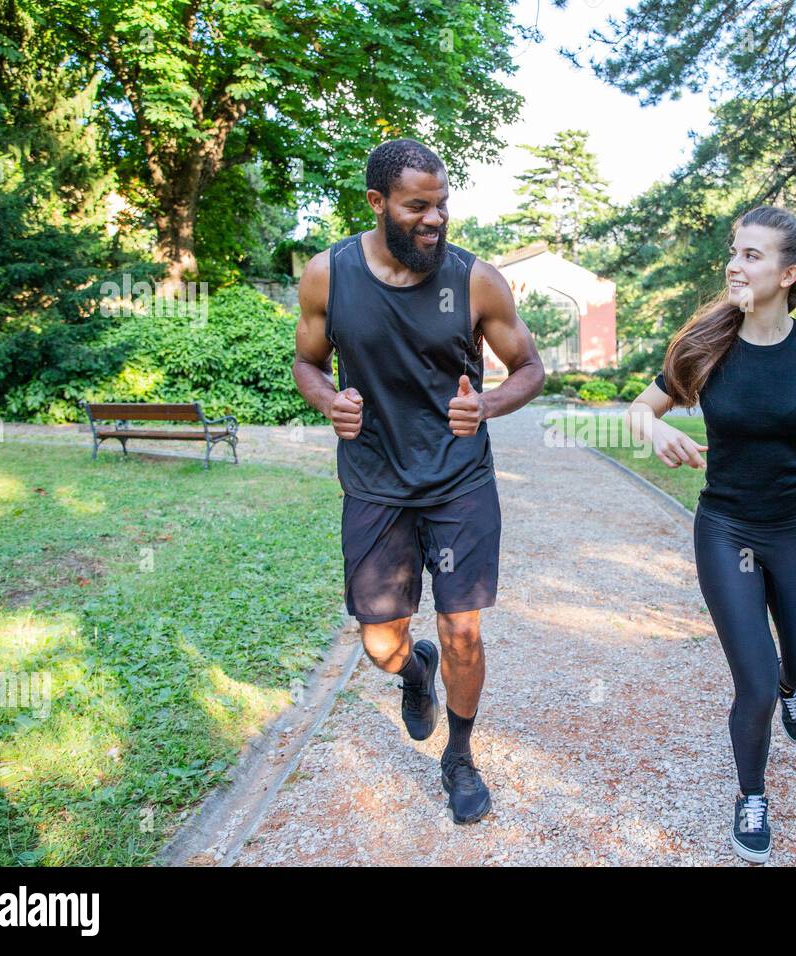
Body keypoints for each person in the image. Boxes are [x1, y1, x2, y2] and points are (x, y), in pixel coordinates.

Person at [293, 138, 544, 824]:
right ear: (377, 204)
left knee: (464, 629)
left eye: (442, 205)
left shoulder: (475, 280)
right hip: (375, 482)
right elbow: (308, 362)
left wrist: (487, 404)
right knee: (380, 644)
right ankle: (414, 670)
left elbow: (530, 366)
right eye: (418, 206)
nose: (435, 219)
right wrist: (327, 401)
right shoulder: (328, 276)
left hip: (459, 480)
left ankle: (459, 757)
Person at [626, 205, 796, 863]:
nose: (735, 265)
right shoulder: (707, 342)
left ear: (788, 274)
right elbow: (640, 407)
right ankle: (751, 795)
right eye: (735, 252)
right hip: (726, 527)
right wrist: (657, 431)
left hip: (795, 527)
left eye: (752, 255)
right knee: (757, 682)